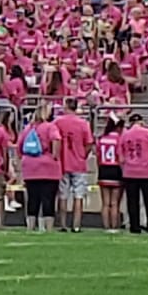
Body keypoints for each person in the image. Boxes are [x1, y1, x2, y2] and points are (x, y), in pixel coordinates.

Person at [18, 103, 62, 232]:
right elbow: (56, 143)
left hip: (30, 167)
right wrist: (54, 156)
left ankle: (30, 226)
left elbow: (19, 148)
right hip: (48, 168)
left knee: (32, 198)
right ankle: (48, 227)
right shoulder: (51, 127)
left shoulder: (27, 129)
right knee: (48, 198)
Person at [55, 98, 94, 233]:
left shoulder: (58, 122)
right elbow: (89, 143)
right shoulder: (83, 124)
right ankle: (76, 225)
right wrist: (83, 155)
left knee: (63, 195)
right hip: (79, 163)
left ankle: (63, 224)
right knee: (78, 195)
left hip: (63, 162)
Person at [118, 113, 148, 234]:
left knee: (132, 201)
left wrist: (124, 168)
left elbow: (120, 157)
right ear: (141, 122)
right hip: (146, 171)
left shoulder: (125, 135)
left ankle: (134, 226)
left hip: (130, 171)